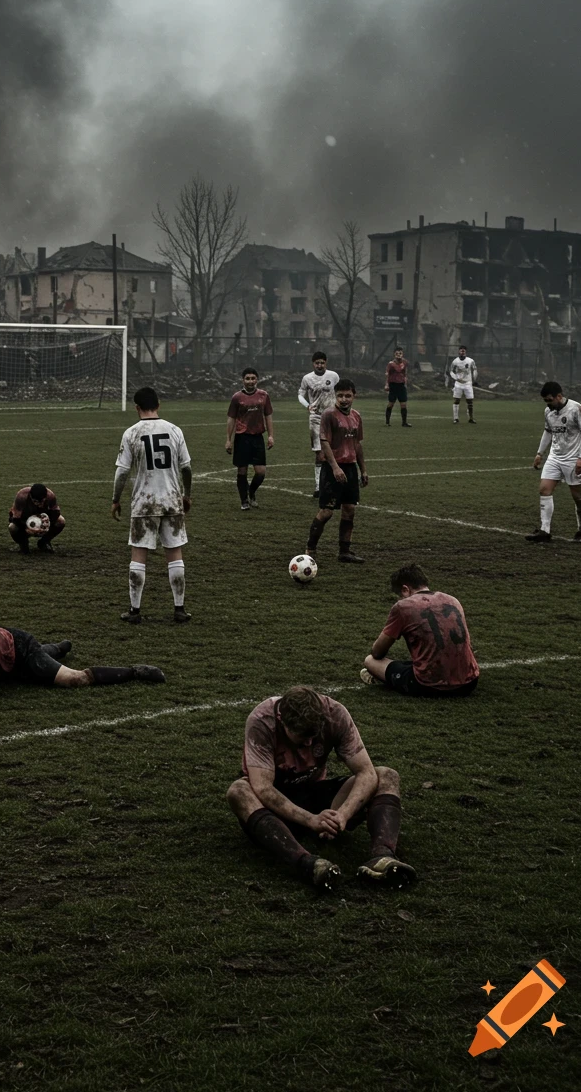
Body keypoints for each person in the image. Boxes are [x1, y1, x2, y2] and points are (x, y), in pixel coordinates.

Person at [226, 685, 416, 890]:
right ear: (282, 721)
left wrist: (341, 815)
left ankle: (383, 857)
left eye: (313, 736)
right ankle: (307, 863)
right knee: (238, 791)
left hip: (315, 791)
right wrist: (311, 820)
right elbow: (262, 788)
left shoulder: (335, 714)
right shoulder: (262, 721)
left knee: (386, 775)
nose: (308, 743)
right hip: (275, 806)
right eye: (301, 737)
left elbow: (366, 772)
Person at [0, 623, 166, 706]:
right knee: (30, 671)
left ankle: (135, 671)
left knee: (75, 680)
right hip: (0, 649)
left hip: (20, 650)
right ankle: (58, 648)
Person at [112, 385, 192, 624]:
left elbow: (122, 472)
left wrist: (115, 500)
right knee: (174, 554)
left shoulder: (131, 433)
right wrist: (187, 495)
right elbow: (186, 468)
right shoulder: (175, 430)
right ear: (158, 404)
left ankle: (135, 611)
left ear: (136, 408)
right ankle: (179, 609)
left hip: (143, 503)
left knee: (138, 555)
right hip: (171, 500)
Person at [360, 563, 479, 696]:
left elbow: (377, 652)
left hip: (429, 685)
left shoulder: (404, 606)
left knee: (370, 661)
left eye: (400, 595)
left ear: (405, 589)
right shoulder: (452, 600)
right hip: (470, 682)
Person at [304, 379, 368, 563]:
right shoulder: (329, 415)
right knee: (327, 511)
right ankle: (310, 548)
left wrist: (363, 470)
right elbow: (324, 442)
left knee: (349, 510)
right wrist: (335, 467)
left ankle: (344, 551)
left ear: (354, 396)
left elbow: (357, 444)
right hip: (332, 469)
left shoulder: (356, 416)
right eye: (340, 395)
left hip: (350, 468)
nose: (344, 399)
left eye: (348, 395)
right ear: (335, 396)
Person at [526, 381, 581, 543]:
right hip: (555, 457)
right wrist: (539, 453)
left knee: (577, 496)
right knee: (544, 490)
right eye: (545, 401)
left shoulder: (576, 408)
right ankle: (544, 531)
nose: (547, 404)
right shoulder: (548, 411)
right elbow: (548, 432)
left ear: (559, 396)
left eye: (549, 400)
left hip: (573, 459)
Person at [225, 367, 275, 509]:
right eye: (248, 378)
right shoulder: (237, 397)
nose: (250, 381)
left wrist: (271, 436)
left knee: (260, 472)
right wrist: (229, 440)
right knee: (242, 471)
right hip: (242, 438)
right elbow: (231, 419)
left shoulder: (264, 396)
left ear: (257, 380)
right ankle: (244, 501)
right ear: (243, 380)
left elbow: (268, 416)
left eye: (253, 378)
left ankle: (251, 491)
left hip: (257, 437)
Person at [297, 351, 340, 496]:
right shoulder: (307, 378)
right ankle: (318, 486)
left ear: (326, 363)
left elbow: (340, 392)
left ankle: (336, 482)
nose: (320, 365)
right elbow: (300, 394)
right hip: (316, 418)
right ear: (313, 363)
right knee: (320, 455)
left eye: (322, 363)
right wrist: (307, 405)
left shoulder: (333, 376)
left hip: (333, 417)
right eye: (317, 363)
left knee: (336, 451)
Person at [8, 482, 66, 553]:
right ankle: (23, 544)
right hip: (24, 518)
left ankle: (44, 542)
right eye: (35, 501)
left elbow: (56, 512)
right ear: (30, 496)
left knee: (61, 521)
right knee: (12, 527)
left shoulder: (50, 496)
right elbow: (15, 518)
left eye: (42, 501)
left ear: (45, 497)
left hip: (43, 516)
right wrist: (27, 528)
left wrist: (46, 523)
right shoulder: (22, 496)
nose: (39, 504)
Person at [449, 346, 478, 423]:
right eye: (461, 351)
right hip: (458, 384)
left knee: (470, 401)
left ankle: (471, 418)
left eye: (463, 351)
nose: (462, 352)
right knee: (456, 400)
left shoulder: (470, 361)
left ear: (465, 352)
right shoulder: (455, 361)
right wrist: (456, 378)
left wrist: (474, 379)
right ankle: (455, 418)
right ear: (459, 352)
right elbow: (451, 371)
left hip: (468, 383)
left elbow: (474, 369)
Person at [384, 347, 412, 427]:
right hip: (393, 385)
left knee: (403, 404)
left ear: (402, 354)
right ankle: (387, 422)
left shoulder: (405, 362)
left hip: (401, 385)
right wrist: (386, 384)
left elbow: (405, 374)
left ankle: (404, 422)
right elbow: (387, 374)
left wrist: (405, 383)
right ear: (394, 354)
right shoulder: (391, 364)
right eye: (397, 353)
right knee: (391, 404)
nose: (398, 355)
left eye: (400, 353)